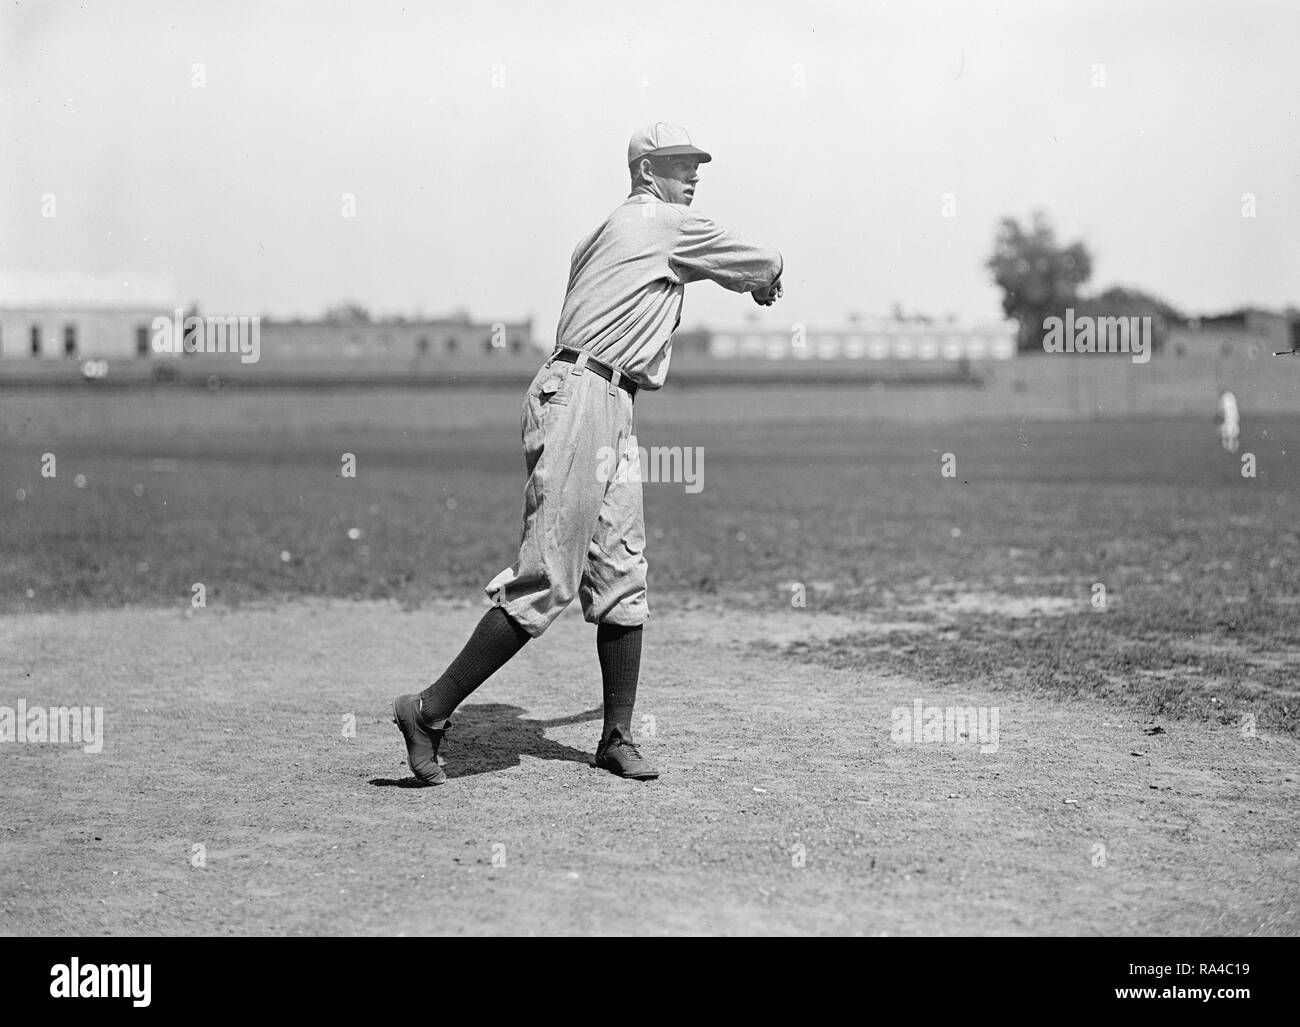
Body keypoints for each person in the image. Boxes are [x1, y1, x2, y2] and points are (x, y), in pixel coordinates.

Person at [393, 122, 784, 784]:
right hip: (582, 397)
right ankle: (426, 711)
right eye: (679, 163)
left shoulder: (602, 232)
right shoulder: (658, 221)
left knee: (624, 572)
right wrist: (764, 280)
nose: (693, 174)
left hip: (608, 399)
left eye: (695, 164)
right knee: (547, 577)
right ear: (646, 173)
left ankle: (615, 735)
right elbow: (761, 259)